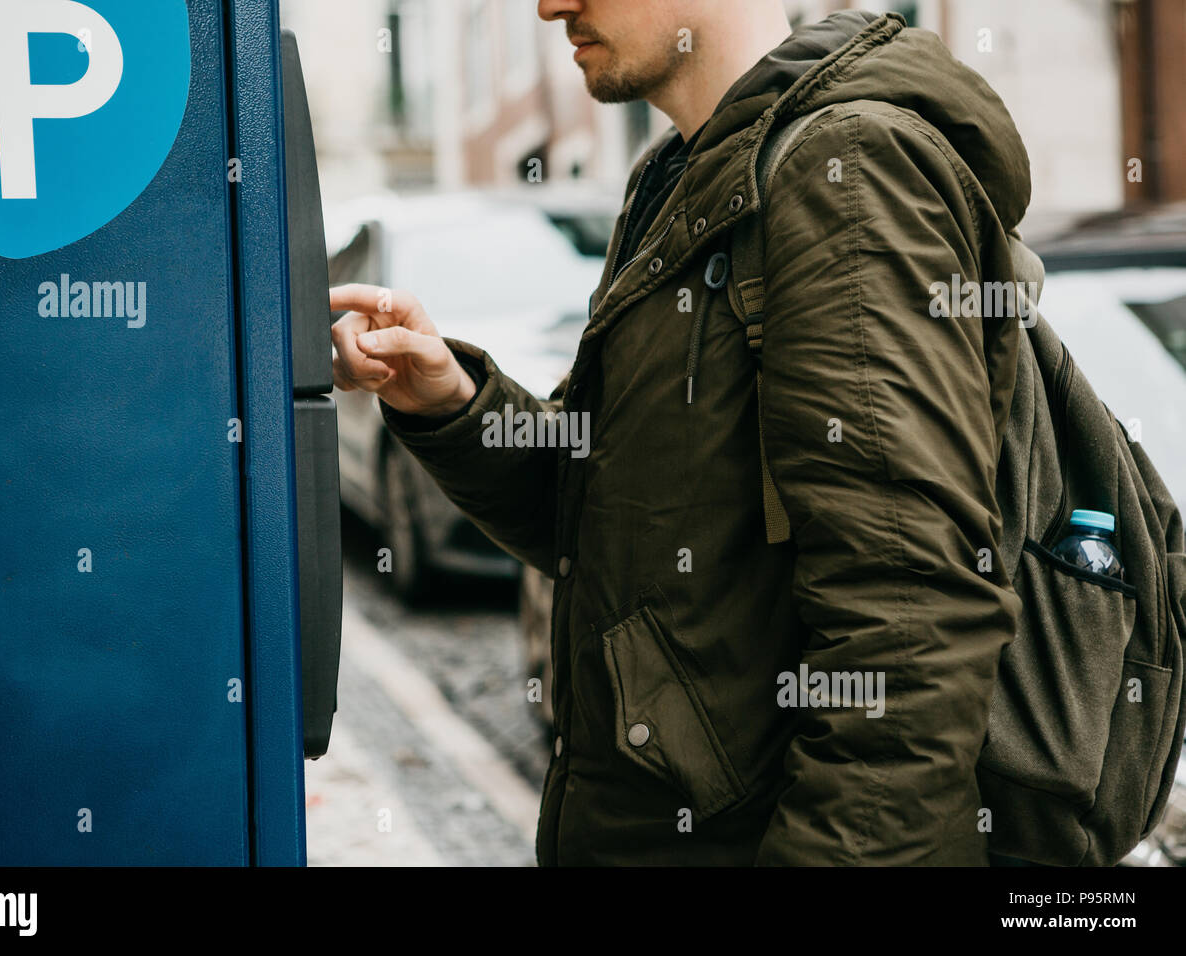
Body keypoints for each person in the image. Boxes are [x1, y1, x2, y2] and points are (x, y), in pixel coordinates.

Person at [330, 0, 1029, 865]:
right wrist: (454, 405)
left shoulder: (844, 173)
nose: (549, 6)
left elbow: (912, 624)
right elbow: (607, 518)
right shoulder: (674, 180)